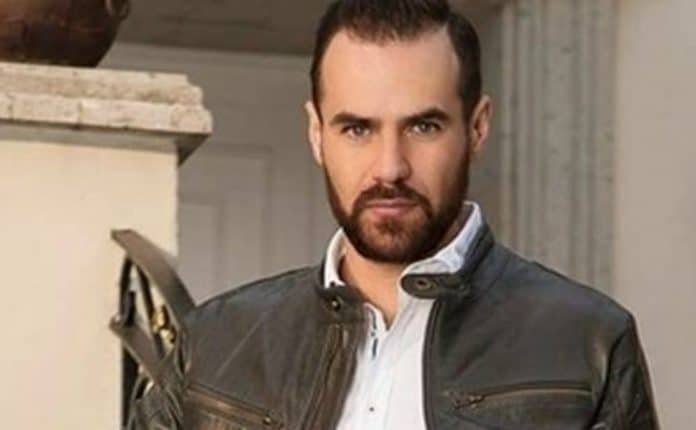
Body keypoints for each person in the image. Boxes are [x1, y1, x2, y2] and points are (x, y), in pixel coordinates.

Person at [132, 0, 660, 428]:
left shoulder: (587, 343)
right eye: (357, 129)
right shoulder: (213, 349)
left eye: (423, 127)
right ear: (317, 133)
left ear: (477, 128)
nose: (390, 167)